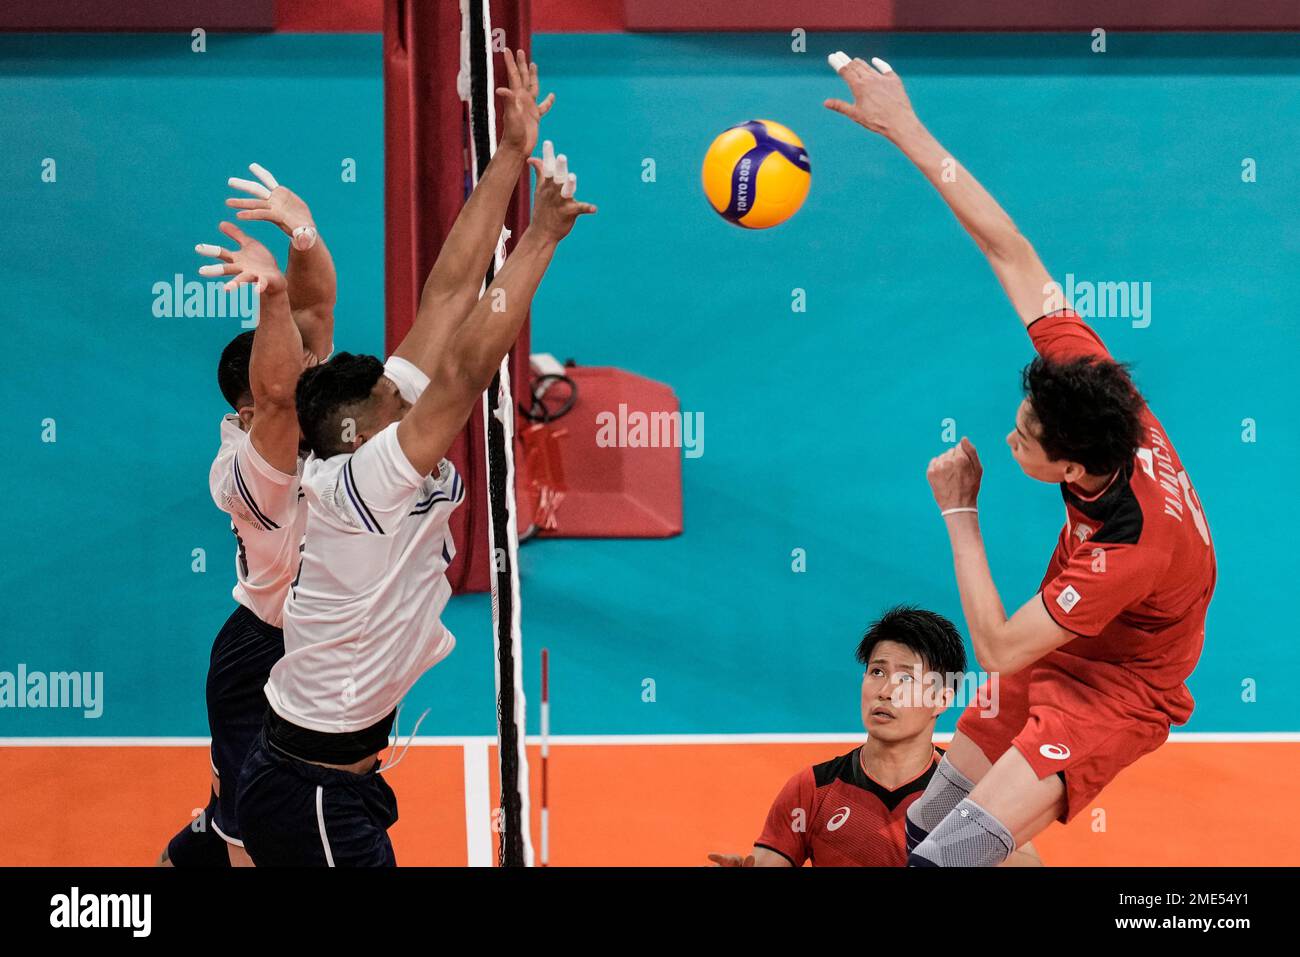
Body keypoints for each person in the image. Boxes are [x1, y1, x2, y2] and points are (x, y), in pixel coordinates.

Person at [823, 52, 1215, 866]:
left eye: (1025, 440)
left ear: (1072, 468)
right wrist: (907, 128)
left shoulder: (1128, 548)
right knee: (925, 831)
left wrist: (961, 510)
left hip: (1118, 693)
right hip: (1070, 646)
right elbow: (1011, 250)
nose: (1010, 435)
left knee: (945, 861)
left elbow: (999, 647)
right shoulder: (1095, 387)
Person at [235, 51, 595, 866]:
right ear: (356, 435)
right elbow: (467, 369)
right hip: (314, 791)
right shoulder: (363, 482)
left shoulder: (362, 437)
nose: (407, 390)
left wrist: (507, 156)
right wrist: (539, 236)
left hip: (325, 770)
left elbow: (445, 297)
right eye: (392, 400)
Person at [161, 167, 335, 867]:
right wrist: (272, 292)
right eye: (294, 364)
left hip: (308, 643)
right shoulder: (249, 470)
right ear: (247, 408)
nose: (310, 366)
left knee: (271, 807)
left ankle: (195, 844)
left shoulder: (302, 394)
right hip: (258, 659)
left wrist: (302, 231)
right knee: (252, 831)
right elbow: (281, 396)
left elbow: (316, 319)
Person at [708, 607, 1040, 867]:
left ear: (941, 698)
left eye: (907, 678)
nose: (885, 691)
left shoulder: (970, 792)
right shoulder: (812, 790)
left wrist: (975, 838)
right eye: (877, 672)